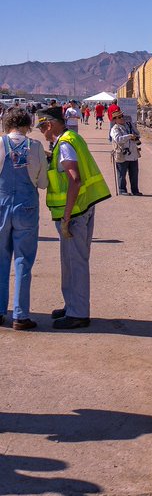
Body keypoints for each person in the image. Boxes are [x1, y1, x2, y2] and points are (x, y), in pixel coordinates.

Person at [35, 106, 111, 329]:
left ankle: (78, 312)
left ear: (49, 125)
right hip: (81, 208)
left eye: (42, 128)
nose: (42, 132)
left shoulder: (65, 144)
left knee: (75, 262)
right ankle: (71, 305)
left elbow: (74, 180)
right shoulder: (71, 138)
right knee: (69, 262)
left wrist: (66, 218)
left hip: (74, 212)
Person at [1, 108, 49, 330]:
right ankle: (20, 315)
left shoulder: (0, 144)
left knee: (1, 259)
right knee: (23, 260)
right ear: (27, 124)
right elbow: (42, 182)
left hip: (1, 206)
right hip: (26, 206)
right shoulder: (35, 146)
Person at [109, 108, 141, 196]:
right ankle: (122, 190)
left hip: (133, 153)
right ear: (115, 120)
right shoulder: (114, 129)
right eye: (119, 117)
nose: (122, 118)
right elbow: (118, 139)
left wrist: (135, 136)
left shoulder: (129, 125)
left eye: (122, 116)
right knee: (121, 174)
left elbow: (138, 133)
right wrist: (129, 136)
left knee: (134, 173)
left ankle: (135, 190)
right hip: (122, 154)